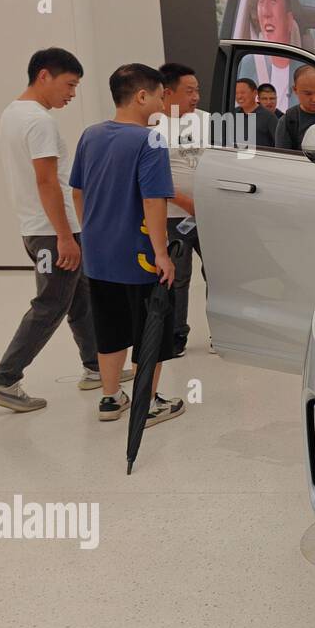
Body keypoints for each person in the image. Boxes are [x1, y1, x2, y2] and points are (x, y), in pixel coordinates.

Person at [0, 48, 126, 412]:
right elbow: (46, 182)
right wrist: (66, 236)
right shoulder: (39, 121)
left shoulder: (13, 113)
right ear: (44, 76)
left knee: (81, 296)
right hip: (53, 233)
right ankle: (5, 378)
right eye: (69, 85)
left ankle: (95, 366)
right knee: (51, 304)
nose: (71, 94)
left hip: (42, 228)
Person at [69, 64, 184, 426]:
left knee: (110, 325)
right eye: (161, 96)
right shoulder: (149, 140)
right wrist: (162, 254)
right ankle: (147, 404)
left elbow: (77, 191)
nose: (164, 104)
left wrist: (92, 231)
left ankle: (109, 397)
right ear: (141, 97)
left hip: (99, 254)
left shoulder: (91, 135)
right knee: (150, 327)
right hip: (139, 256)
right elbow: (153, 202)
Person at [152, 63, 211, 356]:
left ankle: (221, 332)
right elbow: (152, 177)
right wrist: (186, 202)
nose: (196, 96)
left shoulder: (208, 121)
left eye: (197, 90)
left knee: (217, 273)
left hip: (210, 215)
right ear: (167, 93)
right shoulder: (155, 127)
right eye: (189, 91)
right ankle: (176, 336)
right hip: (174, 217)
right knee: (178, 276)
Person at [233, 77, 277, 149]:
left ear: (255, 93)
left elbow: (280, 145)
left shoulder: (269, 117)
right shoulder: (232, 114)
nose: (239, 96)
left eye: (243, 93)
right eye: (236, 93)